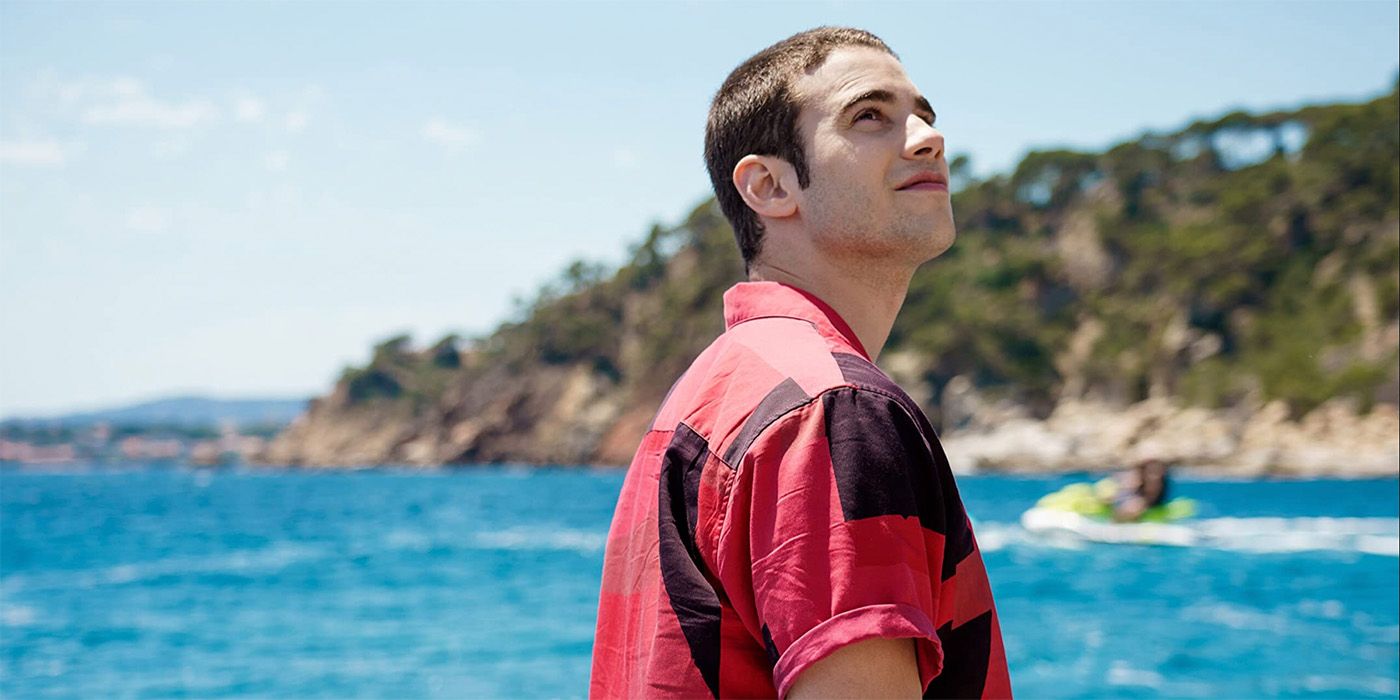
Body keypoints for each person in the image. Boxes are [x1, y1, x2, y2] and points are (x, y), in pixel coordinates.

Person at [590, 27, 1011, 699]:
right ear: (769, 185)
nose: (929, 138)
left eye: (924, 115)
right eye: (869, 116)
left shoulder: (722, 389)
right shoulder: (832, 409)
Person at [1109, 458, 1171, 522]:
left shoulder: (1167, 489)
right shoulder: (1133, 492)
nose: (1155, 477)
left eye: (1158, 473)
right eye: (1151, 472)